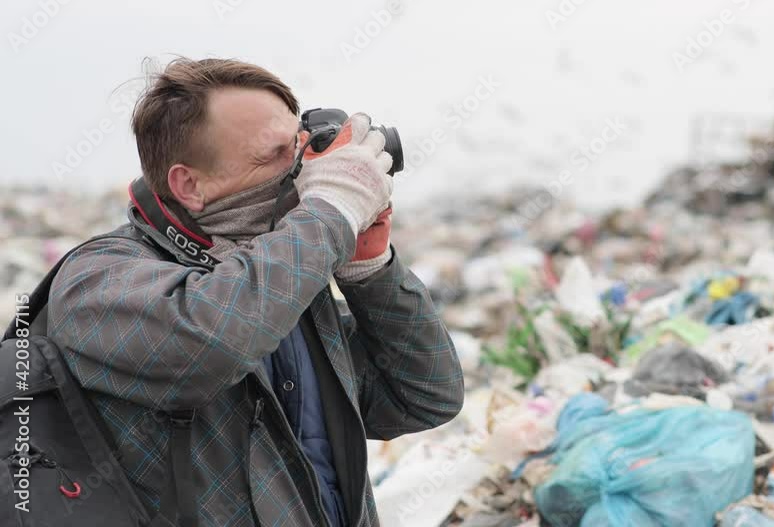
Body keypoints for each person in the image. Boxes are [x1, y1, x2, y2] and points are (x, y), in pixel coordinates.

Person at [46, 57, 464, 526]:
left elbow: (425, 395)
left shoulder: (282, 284)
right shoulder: (97, 279)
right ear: (189, 183)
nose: (302, 172)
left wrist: (370, 267)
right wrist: (332, 210)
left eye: (300, 147)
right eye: (274, 156)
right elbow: (210, 342)